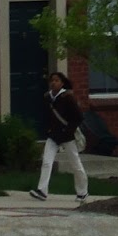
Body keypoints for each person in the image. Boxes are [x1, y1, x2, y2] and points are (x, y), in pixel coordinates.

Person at [29, 71, 88, 203]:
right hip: (53, 135)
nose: (53, 83)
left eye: (56, 80)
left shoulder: (68, 97)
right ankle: (42, 191)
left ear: (62, 83)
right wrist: (48, 128)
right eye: (52, 80)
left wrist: (68, 130)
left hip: (67, 135)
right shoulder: (47, 97)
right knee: (47, 161)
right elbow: (47, 115)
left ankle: (82, 191)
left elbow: (79, 117)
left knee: (75, 163)